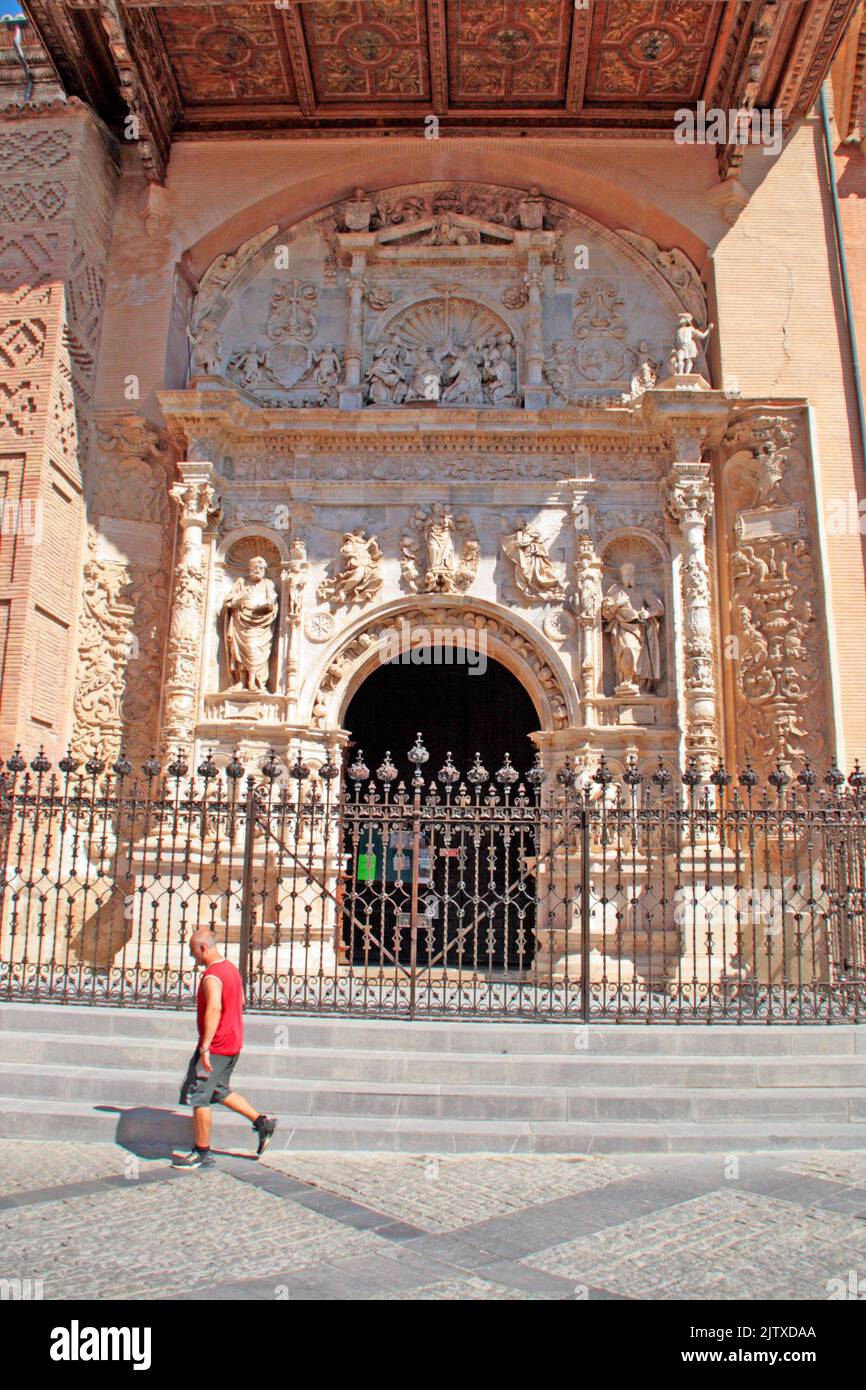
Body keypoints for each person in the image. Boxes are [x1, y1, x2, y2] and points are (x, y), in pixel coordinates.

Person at [172, 929, 277, 1169]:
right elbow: (239, 1001)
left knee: (199, 1096)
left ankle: (202, 1152)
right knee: (219, 1090)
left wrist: (205, 1047)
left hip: (217, 1045)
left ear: (203, 948)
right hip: (234, 1043)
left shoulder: (212, 976)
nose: (191, 955)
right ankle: (262, 1123)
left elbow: (214, 1010)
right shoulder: (231, 969)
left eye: (192, 950)